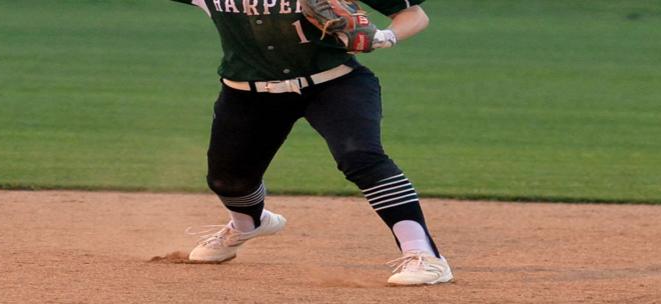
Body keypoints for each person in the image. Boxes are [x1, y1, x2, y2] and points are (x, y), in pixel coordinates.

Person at [171, 0, 451, 286]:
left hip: (335, 85)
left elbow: (414, 14)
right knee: (227, 180)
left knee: (360, 157)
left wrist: (386, 36)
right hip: (248, 94)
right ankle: (248, 225)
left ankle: (426, 256)